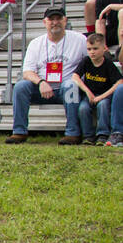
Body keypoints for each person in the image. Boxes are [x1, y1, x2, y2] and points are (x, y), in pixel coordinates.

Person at [6, 8, 89, 144]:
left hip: (67, 87)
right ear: (45, 22)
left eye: (59, 19)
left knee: (71, 85)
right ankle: (19, 132)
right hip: (42, 89)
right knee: (21, 86)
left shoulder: (79, 40)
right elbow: (27, 72)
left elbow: (91, 62)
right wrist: (41, 82)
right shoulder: (36, 43)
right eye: (51, 19)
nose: (55, 22)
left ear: (65, 20)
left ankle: (73, 133)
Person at [70, 33, 122, 145]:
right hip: (90, 95)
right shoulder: (86, 61)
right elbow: (75, 76)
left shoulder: (108, 64)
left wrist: (102, 97)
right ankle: (88, 136)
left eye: (95, 48)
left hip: (104, 96)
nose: (92, 52)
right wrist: (88, 92)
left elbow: (119, 82)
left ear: (104, 49)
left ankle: (102, 135)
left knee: (103, 105)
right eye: (89, 49)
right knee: (83, 108)